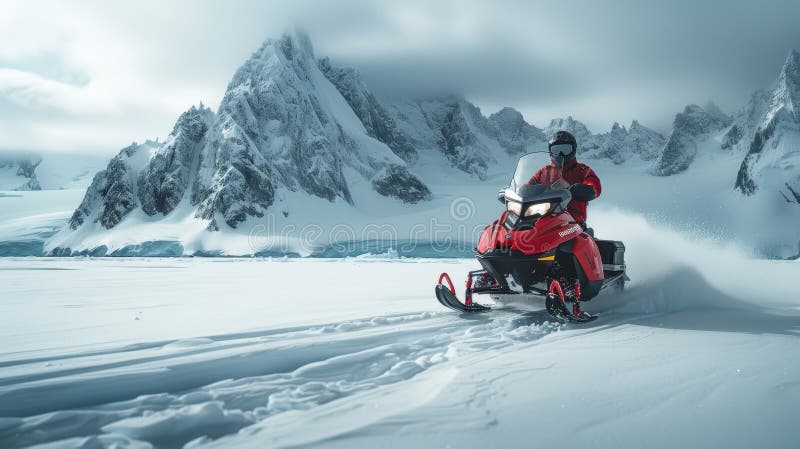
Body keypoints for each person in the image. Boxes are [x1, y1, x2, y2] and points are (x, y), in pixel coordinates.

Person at [528, 130, 601, 227]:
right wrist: (516, 193)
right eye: (556, 150)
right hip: (542, 220)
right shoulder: (544, 171)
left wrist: (584, 189)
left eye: (565, 149)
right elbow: (528, 186)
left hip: (573, 223)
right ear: (550, 151)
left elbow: (594, 186)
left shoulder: (582, 170)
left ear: (573, 149)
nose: (561, 154)